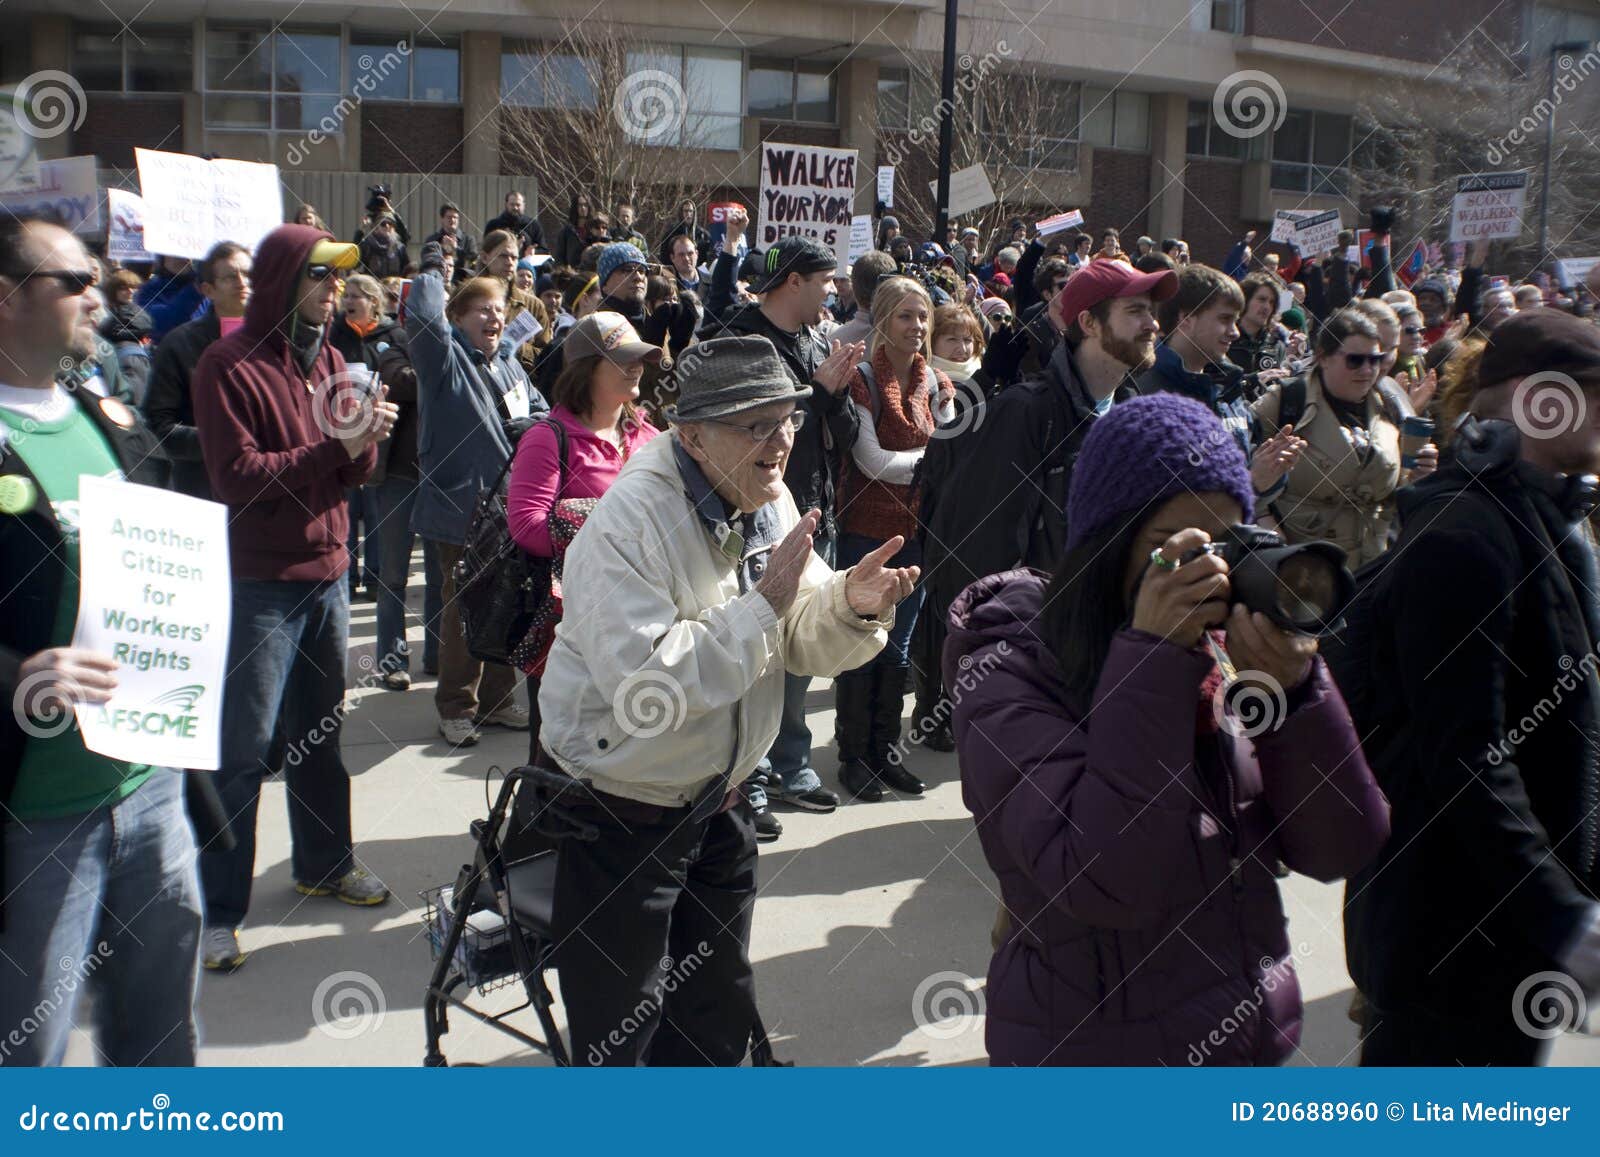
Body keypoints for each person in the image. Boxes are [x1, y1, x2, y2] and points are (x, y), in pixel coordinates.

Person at [945, 391, 1390, 1065]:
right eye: (1177, 548)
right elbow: (1103, 881)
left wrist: (1298, 696)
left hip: (1245, 1040)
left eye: (1227, 544)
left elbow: (1342, 846)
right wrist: (1153, 658)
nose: (1210, 573)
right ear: (1108, 547)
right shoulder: (1009, 662)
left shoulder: (1226, 663)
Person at [537, 334, 916, 1065]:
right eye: (755, 424)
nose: (781, 442)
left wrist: (851, 605)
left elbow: (798, 630)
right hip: (622, 811)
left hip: (723, 800)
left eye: (788, 419)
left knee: (713, 1019)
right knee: (621, 1033)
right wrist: (762, 605)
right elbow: (648, 688)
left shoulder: (766, 495)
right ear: (692, 436)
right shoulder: (628, 523)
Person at [1329, 310, 1600, 1064]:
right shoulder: (1466, 535)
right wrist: (1563, 917)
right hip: (1448, 948)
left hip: (1505, 941)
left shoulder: (1543, 522)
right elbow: (1466, 758)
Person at [0, 214, 204, 1065]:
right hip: (37, 812)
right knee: (28, 1051)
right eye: (75, 281)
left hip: (148, 785)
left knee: (161, 1039)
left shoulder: (103, 411)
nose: (99, 296)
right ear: (7, 298)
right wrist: (15, 670)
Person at [190, 224, 397, 973]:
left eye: (339, 277)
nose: (334, 290)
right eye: (320, 275)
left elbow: (348, 475)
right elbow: (238, 478)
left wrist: (367, 441)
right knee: (241, 753)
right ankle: (217, 912)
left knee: (319, 737)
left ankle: (325, 862)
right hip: (261, 586)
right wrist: (337, 448)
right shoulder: (226, 365)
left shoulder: (334, 359)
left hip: (329, 575)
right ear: (283, 280)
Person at [708, 216, 867, 828]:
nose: (834, 291)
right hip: (754, 520)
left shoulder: (819, 342)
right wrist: (818, 394)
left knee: (798, 644)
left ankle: (790, 763)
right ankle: (746, 777)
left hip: (814, 512)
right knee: (752, 647)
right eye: (825, 281)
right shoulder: (743, 339)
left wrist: (838, 394)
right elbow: (756, 430)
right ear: (793, 281)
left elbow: (839, 433)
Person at [408, 244, 546, 746]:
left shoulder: (510, 363)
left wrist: (532, 425)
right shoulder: (443, 361)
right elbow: (423, 320)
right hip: (460, 508)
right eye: (482, 309)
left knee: (507, 602)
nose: (494, 318)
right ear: (457, 318)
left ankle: (496, 701)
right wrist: (432, 272)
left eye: (499, 309)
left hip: (510, 506)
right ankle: (456, 707)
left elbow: (541, 410)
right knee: (463, 609)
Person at [506, 313, 662, 756]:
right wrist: (608, 527)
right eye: (624, 359)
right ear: (587, 369)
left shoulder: (648, 434)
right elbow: (527, 527)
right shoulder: (548, 437)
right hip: (571, 624)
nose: (637, 367)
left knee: (628, 751)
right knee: (559, 752)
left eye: (640, 358)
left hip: (641, 616)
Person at [833, 277, 953, 800]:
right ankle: (853, 758)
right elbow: (872, 462)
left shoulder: (938, 384)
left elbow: (950, 452)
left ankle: (884, 755)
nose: (917, 326)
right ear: (883, 320)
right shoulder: (862, 380)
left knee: (898, 649)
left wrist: (929, 462)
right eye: (905, 315)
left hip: (918, 536)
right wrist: (931, 460)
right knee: (861, 644)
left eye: (923, 316)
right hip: (865, 533)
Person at [1251, 309, 1437, 568]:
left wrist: (1417, 476)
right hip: (1303, 570)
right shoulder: (1286, 401)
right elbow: (1240, 482)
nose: (1367, 370)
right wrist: (1271, 537)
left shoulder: (1392, 405)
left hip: (1373, 567)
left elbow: (1394, 494)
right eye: (1355, 360)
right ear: (1323, 357)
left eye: (1375, 360)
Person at [1137, 264, 1304, 505]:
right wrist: (1251, 483)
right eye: (1225, 319)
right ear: (1186, 319)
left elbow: (1252, 492)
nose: (1235, 332)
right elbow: (1164, 504)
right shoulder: (1145, 395)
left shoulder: (1230, 388)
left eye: (1236, 320)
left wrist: (1270, 470)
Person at [142, 241, 252, 501]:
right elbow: (158, 426)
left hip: (266, 493)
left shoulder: (277, 340)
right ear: (208, 290)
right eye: (230, 277)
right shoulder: (179, 344)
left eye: (248, 274)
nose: (242, 282)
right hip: (204, 492)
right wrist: (221, 442)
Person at [331, 274, 408, 608]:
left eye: (356, 296)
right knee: (347, 509)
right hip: (342, 432)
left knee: (376, 511)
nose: (348, 301)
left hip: (381, 437)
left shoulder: (394, 336)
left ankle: (375, 576)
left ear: (374, 302)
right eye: (346, 295)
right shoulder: (333, 334)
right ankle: (347, 576)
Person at [1228, 271, 1291, 399]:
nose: (1267, 306)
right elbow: (1216, 386)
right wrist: (1252, 380)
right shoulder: (1225, 339)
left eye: (1272, 302)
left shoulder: (1276, 346)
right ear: (1245, 300)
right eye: (1262, 299)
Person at [830, 249, 897, 349]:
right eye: (835, 281)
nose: (838, 285)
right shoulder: (909, 337)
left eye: (843, 280)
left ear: (854, 286)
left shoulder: (833, 341)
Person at [134, 255, 203, 343]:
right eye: (175, 253)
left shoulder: (207, 285)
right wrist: (193, 290)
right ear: (162, 258)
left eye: (189, 254)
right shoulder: (148, 290)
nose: (184, 257)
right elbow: (159, 324)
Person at [425, 202, 479, 273]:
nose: (453, 220)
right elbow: (427, 263)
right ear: (442, 219)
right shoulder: (432, 240)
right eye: (449, 217)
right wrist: (442, 249)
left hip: (462, 278)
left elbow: (473, 263)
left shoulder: (469, 240)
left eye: (455, 217)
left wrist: (456, 249)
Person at [358, 213, 407, 279]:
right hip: (373, 284)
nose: (387, 226)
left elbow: (406, 269)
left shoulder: (400, 247)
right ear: (376, 228)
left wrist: (395, 215)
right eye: (383, 224)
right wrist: (360, 231)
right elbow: (355, 260)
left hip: (394, 284)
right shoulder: (367, 245)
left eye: (390, 224)